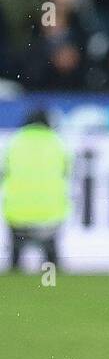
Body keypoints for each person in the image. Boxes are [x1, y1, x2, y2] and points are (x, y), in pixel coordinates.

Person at [2, 110, 71, 272]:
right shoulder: (57, 142)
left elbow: (3, 172)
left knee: (16, 253)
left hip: (17, 214)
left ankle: (15, 272)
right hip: (51, 214)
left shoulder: (14, 142)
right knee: (51, 259)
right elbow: (66, 173)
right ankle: (52, 278)